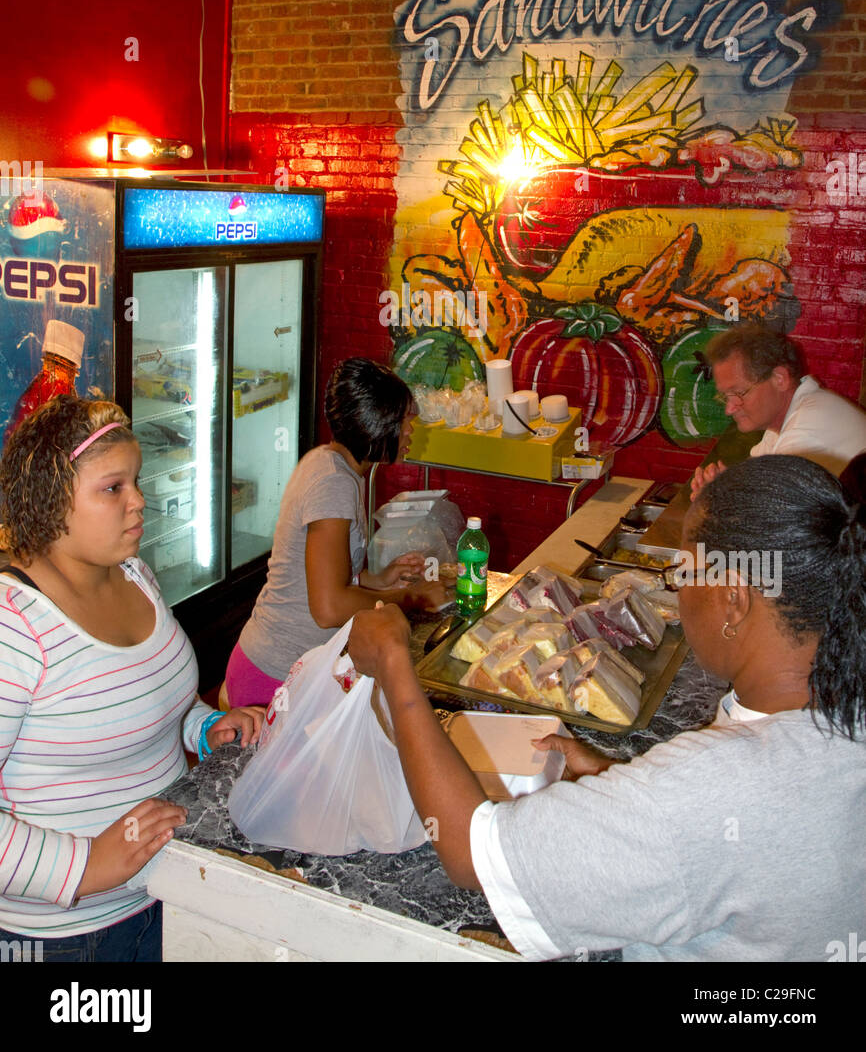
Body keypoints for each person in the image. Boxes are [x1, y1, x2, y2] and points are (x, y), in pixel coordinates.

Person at [347, 454, 866, 961]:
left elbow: (470, 853)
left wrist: (395, 665)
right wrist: (627, 786)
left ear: (733, 600)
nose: (679, 594)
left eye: (685, 573)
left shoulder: (706, 790)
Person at [0, 395, 263, 962]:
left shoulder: (136, 576)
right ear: (51, 499)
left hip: (166, 889)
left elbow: (151, 698)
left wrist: (204, 728)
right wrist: (87, 864)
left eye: (137, 481)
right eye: (113, 488)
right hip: (68, 934)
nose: (139, 501)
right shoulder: (12, 626)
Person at [226, 357, 448, 707]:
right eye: (406, 420)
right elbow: (328, 607)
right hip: (274, 677)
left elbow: (318, 572)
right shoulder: (333, 483)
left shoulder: (330, 462)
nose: (410, 431)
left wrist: (377, 579)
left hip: (288, 667)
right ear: (380, 425)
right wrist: (413, 598)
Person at [690, 321, 866, 500]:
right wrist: (725, 485)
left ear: (779, 379)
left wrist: (716, 500)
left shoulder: (805, 431)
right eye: (726, 396)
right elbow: (757, 479)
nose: (729, 408)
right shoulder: (786, 418)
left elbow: (769, 517)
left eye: (739, 393)